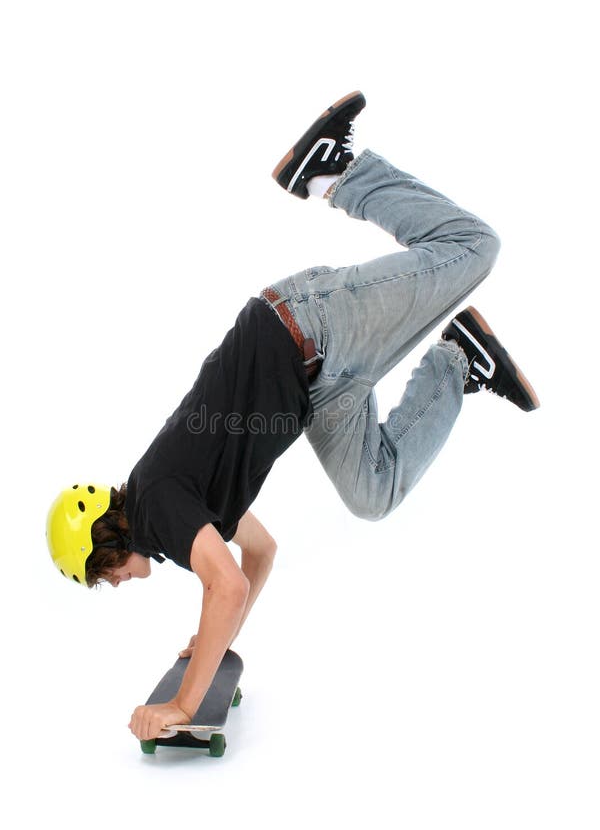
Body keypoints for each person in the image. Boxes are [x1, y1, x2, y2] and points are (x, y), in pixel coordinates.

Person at [46, 91, 539, 742]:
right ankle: (457, 357)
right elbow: (258, 554)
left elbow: (226, 586)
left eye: (101, 574)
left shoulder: (159, 504)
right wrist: (210, 647)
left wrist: (184, 706)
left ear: (106, 544)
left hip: (310, 326)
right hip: (317, 387)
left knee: (474, 245)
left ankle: (335, 170)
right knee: (372, 493)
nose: (116, 582)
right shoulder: (176, 509)